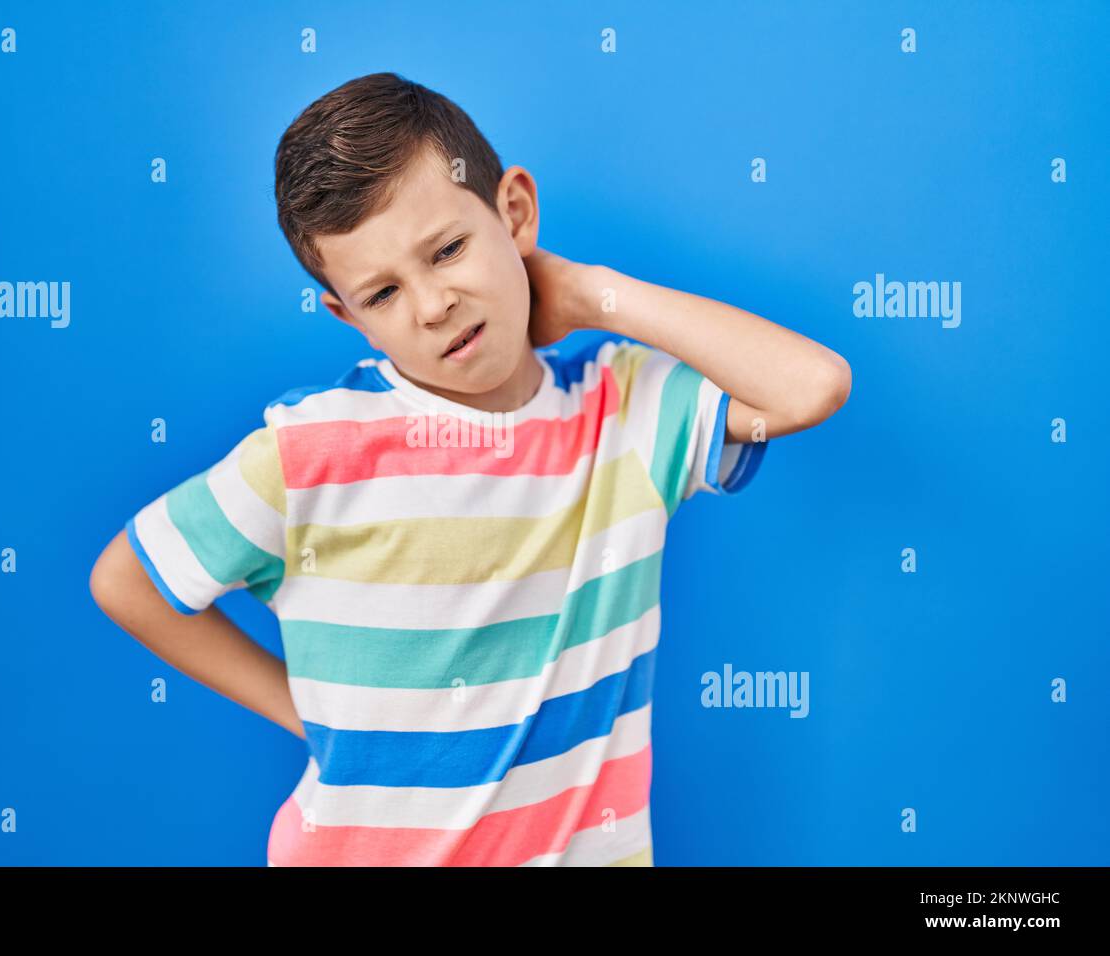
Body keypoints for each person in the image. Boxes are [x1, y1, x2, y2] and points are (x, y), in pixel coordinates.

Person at [89, 71, 851, 866]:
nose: (431, 305)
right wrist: (298, 709)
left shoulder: (626, 413)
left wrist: (592, 295)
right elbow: (127, 580)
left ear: (513, 212)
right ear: (348, 318)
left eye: (448, 249)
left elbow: (813, 386)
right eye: (382, 293)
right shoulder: (311, 453)